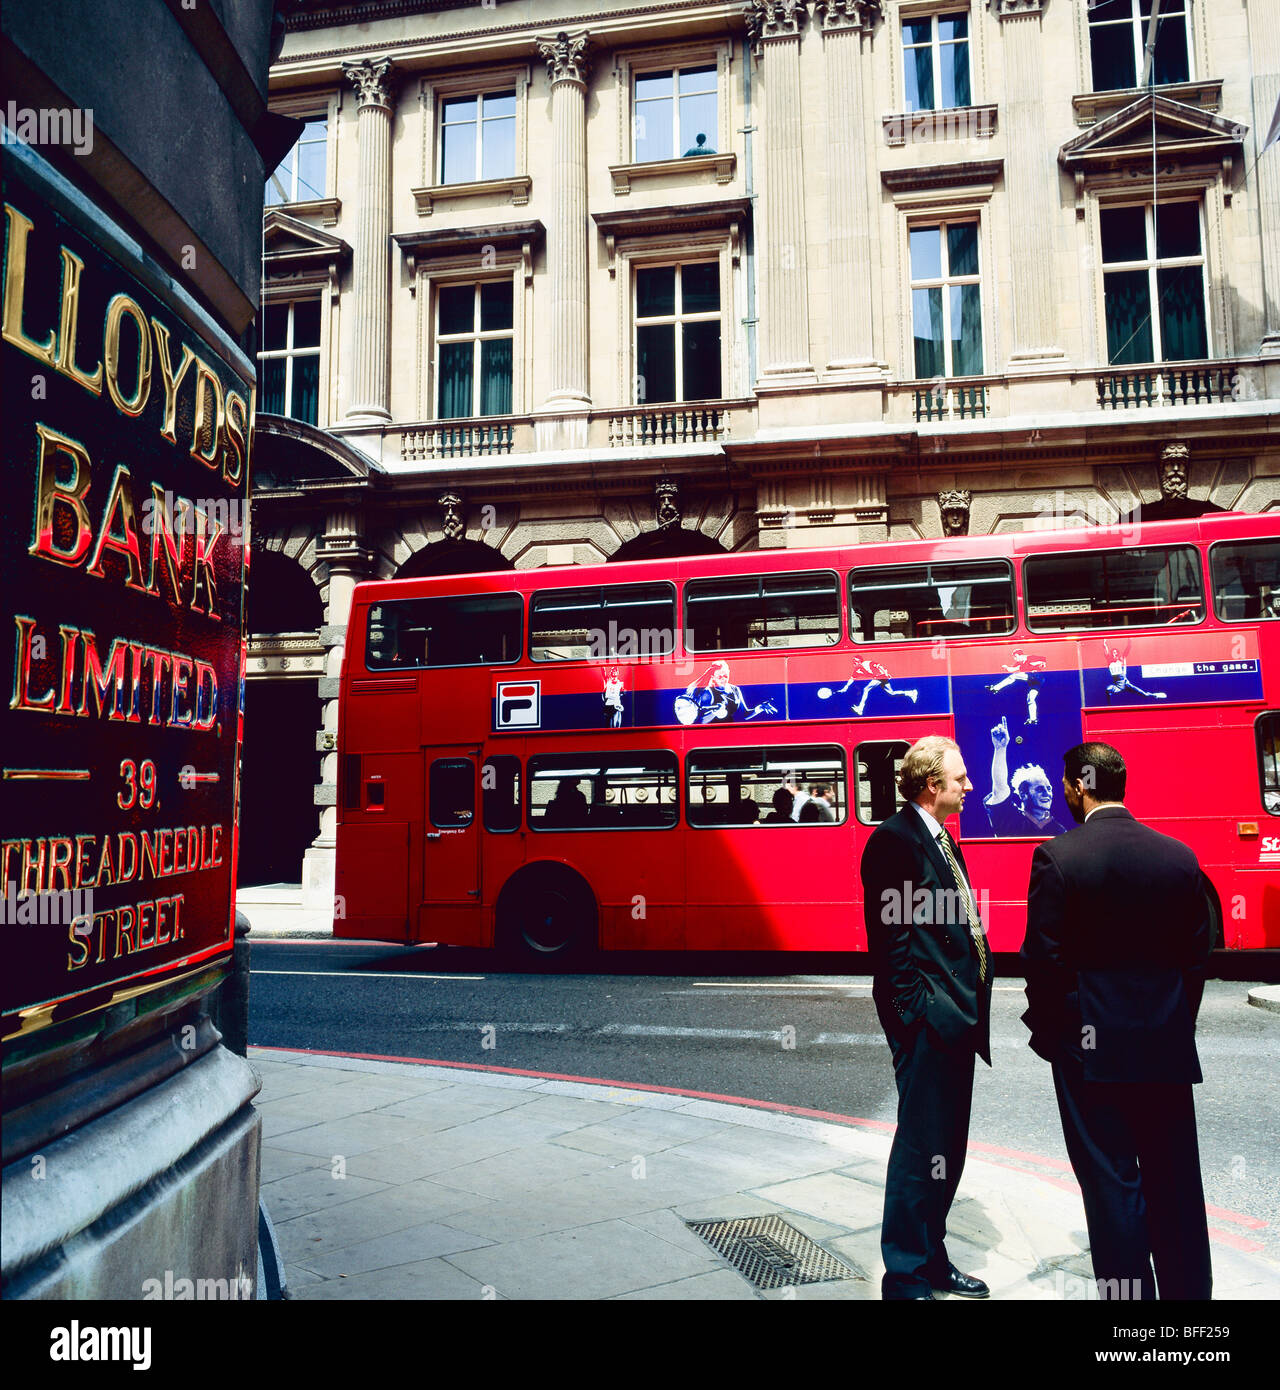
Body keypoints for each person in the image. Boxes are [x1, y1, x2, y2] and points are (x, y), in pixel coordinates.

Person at [1020, 742, 1212, 1301]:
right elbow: (1196, 960)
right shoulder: (1179, 856)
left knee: (1113, 1186)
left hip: (1092, 1052)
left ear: (1080, 787)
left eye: (1065, 785)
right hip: (1166, 1049)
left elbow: (1043, 961)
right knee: (1174, 1183)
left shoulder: (1058, 857)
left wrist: (1057, 1036)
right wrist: (1176, 1022)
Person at [860, 734, 993, 1301]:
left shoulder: (942, 840)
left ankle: (933, 1259)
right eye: (961, 778)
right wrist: (916, 1014)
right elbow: (890, 944)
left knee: (947, 1148)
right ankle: (906, 1276)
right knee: (921, 1150)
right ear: (932, 785)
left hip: (956, 1020)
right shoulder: (894, 841)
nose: (970, 786)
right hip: (928, 1021)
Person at [985, 718, 1066, 836]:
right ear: (1023, 794)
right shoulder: (1009, 817)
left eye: (1048, 788)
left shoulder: (1060, 831)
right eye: (1039, 789)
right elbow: (1000, 787)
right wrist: (1000, 749)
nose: (1046, 793)